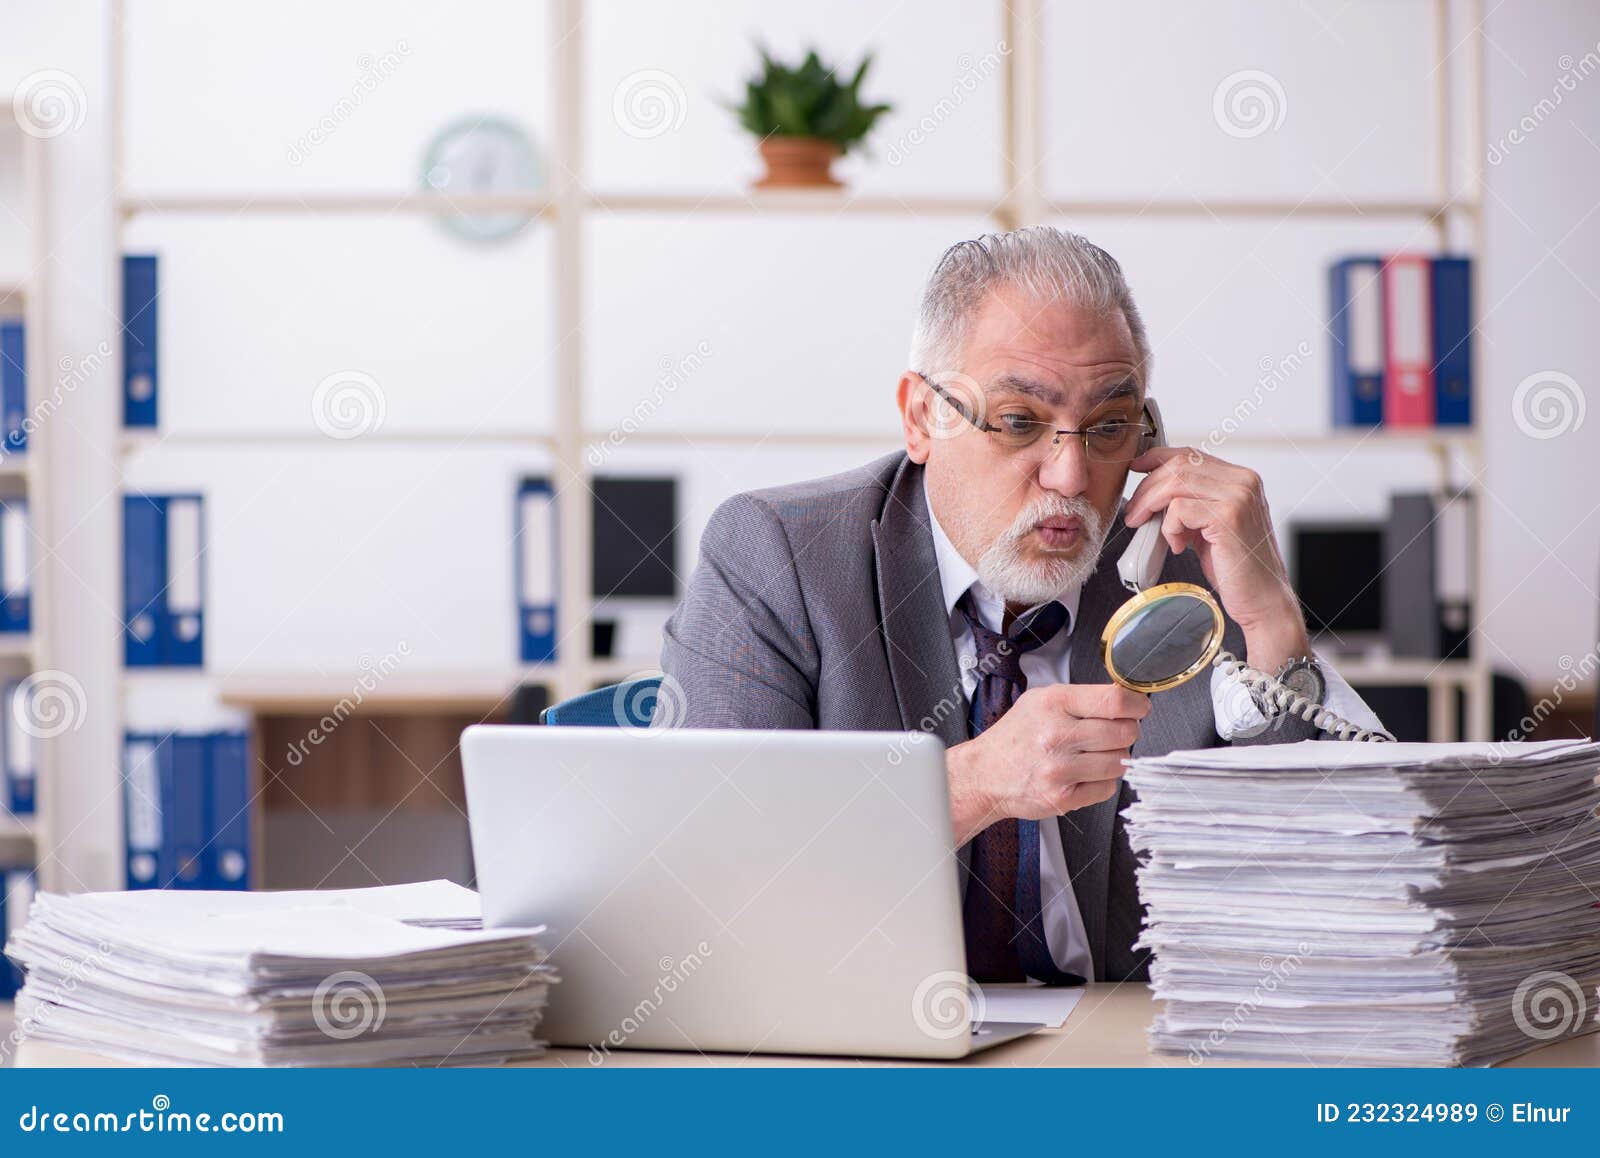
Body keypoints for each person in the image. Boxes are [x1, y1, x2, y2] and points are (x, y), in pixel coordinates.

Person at [657, 226, 1382, 983]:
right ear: (919, 418)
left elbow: (1331, 882)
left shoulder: (1191, 575)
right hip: (860, 1046)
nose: (1070, 476)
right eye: (1017, 422)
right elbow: (716, 860)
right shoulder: (781, 556)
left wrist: (1272, 624)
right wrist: (970, 786)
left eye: (1107, 427)